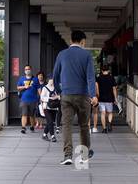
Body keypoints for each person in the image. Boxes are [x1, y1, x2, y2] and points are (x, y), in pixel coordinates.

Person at [52, 29, 97, 166]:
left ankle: (67, 155)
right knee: (84, 126)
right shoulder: (87, 55)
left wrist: (60, 91)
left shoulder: (62, 54)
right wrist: (93, 95)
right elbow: (90, 77)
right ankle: (83, 156)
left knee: (67, 125)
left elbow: (55, 76)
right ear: (83, 41)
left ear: (71, 40)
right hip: (83, 96)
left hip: (66, 95)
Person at [16, 65, 39, 133]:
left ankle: (32, 126)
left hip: (33, 100)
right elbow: (18, 87)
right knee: (24, 114)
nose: (27, 70)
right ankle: (23, 128)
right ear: (24, 71)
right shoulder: (21, 78)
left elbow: (39, 89)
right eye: (26, 69)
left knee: (32, 115)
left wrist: (41, 98)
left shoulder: (35, 79)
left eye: (28, 69)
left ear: (31, 70)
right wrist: (24, 87)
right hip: (24, 100)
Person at [95, 62, 117, 134]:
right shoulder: (111, 78)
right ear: (108, 70)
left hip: (101, 98)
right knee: (110, 112)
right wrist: (115, 98)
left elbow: (97, 88)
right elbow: (114, 89)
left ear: (102, 70)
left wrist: (97, 96)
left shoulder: (98, 78)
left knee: (102, 113)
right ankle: (109, 123)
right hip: (110, 98)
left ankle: (104, 129)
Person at [39, 77, 61, 142]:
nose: (52, 81)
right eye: (51, 79)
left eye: (53, 79)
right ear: (48, 80)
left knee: (51, 123)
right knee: (50, 122)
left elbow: (60, 96)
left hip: (54, 107)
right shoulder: (44, 88)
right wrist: (50, 98)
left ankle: (44, 135)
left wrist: (57, 97)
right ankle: (52, 136)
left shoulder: (57, 88)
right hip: (46, 107)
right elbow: (42, 98)